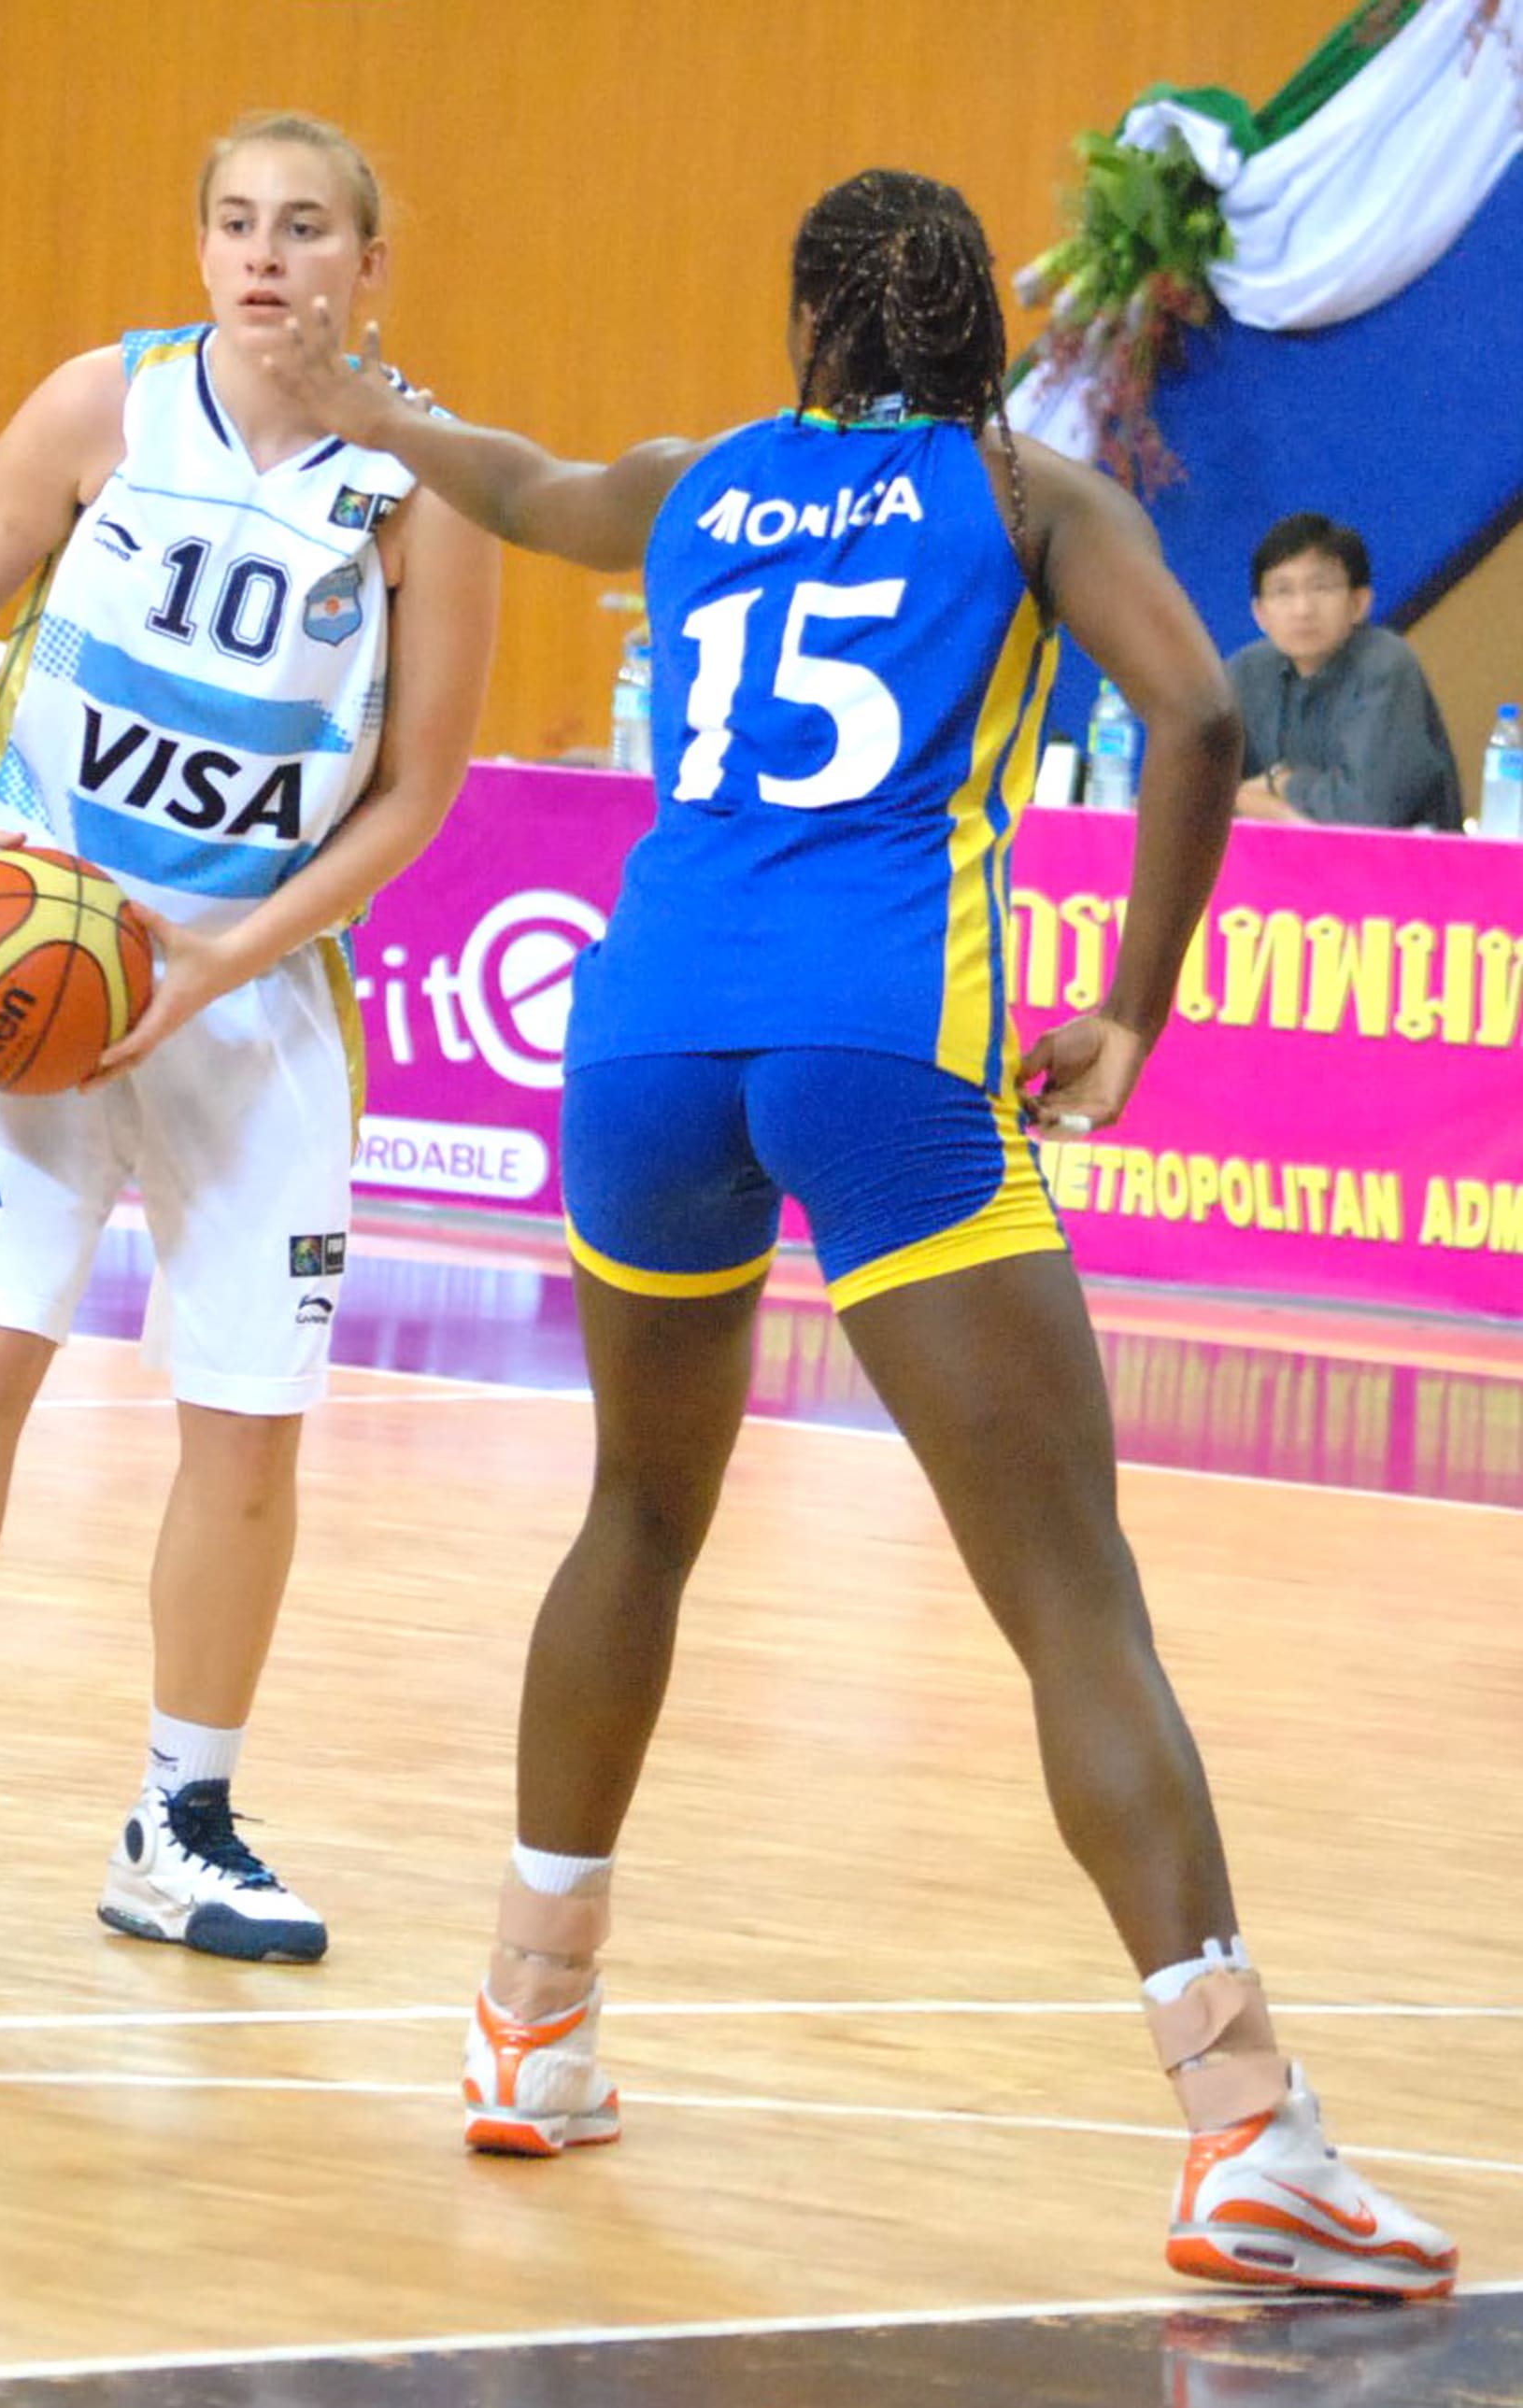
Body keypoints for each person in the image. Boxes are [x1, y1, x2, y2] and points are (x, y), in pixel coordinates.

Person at [265, 169, 1457, 2297]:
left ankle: (529, 2024)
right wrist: (1127, 1012)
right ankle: (1241, 2125)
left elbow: (518, 479)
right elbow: (1189, 718)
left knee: (633, 1513)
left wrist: (363, 396)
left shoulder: (700, 480)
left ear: (801, 321)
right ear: (966, 326)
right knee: (1066, 1591)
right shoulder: (1023, 493)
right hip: (873, 1023)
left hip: (637, 1027)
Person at [0, 111, 498, 1969]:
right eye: (239, 224)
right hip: (38, 928)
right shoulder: (101, 408)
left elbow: (411, 800)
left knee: (250, 1427)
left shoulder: (420, 483)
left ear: (367, 264)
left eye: (310, 228)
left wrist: (222, 958)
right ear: (201, 251)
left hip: (237, 983)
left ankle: (179, 1820)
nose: (270, 255)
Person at [1226, 513, 1461, 829]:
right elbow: (1201, 795)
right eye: (1283, 592)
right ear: (1259, 613)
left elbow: (1363, 814)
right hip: (1275, 871)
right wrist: (1267, 805)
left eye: (1321, 588)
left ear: (1358, 603)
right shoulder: (1246, 672)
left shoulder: (1385, 664)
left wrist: (1277, 785)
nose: (1303, 610)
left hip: (1396, 873)